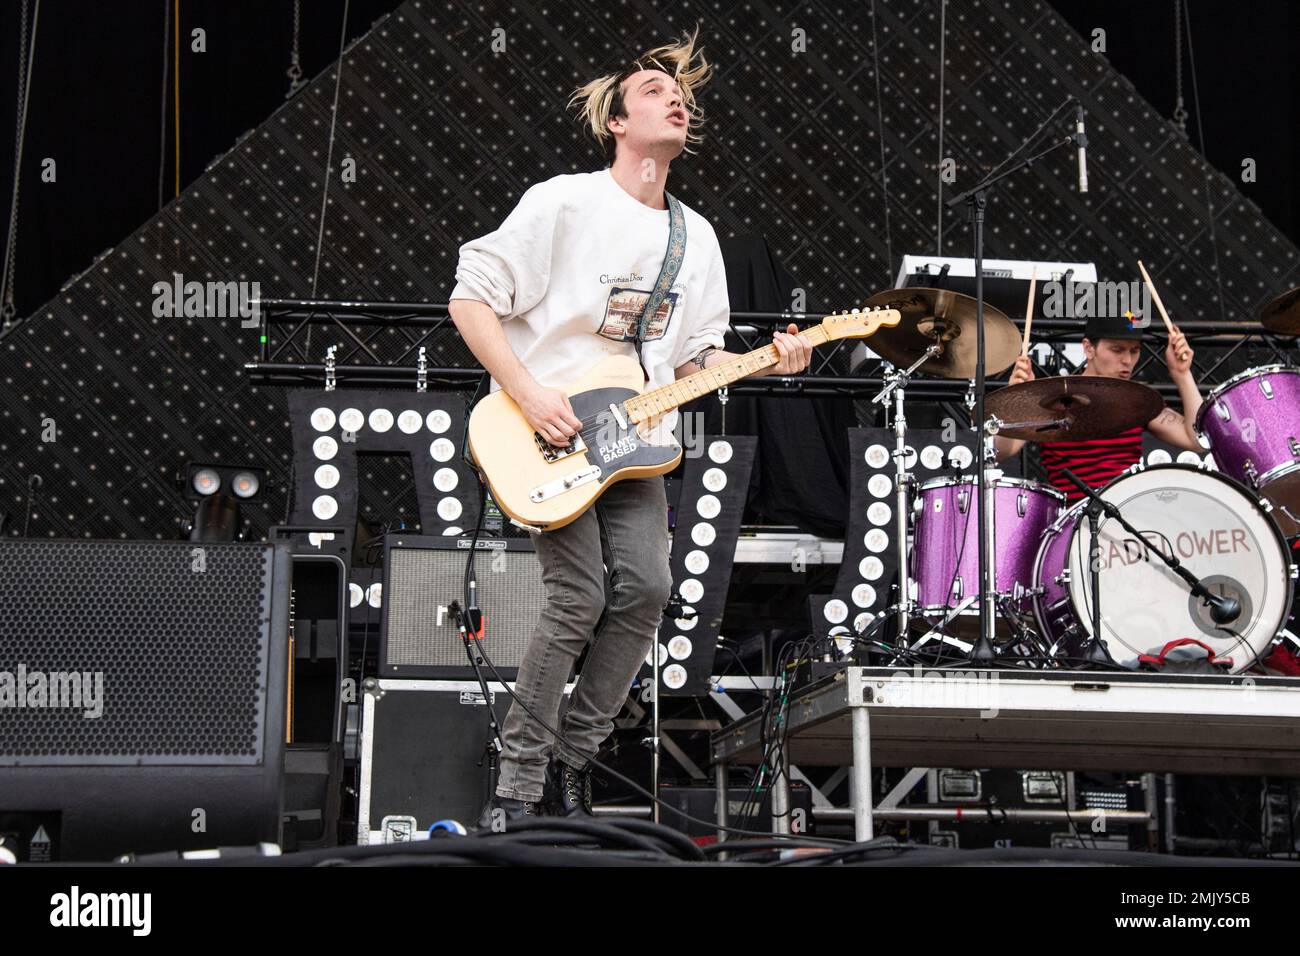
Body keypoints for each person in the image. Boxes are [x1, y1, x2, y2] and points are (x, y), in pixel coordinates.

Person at [447, 29, 812, 829]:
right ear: (616, 121)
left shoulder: (697, 236)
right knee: (578, 597)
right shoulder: (564, 202)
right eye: (652, 91)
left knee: (646, 590)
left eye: (680, 95)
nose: (674, 99)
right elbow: (469, 300)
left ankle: (575, 760)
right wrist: (530, 391)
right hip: (541, 425)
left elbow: (695, 363)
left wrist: (764, 362)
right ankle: (518, 783)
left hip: (634, 440)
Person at [994, 312, 1204, 500]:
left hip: (1129, 514)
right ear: (1088, 348)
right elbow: (1000, 451)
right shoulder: (1053, 397)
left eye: (1134, 351)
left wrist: (1182, 374)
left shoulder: (1136, 399)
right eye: (1117, 350)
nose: (1127, 360)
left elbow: (1196, 440)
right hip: (1074, 522)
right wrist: (1018, 399)